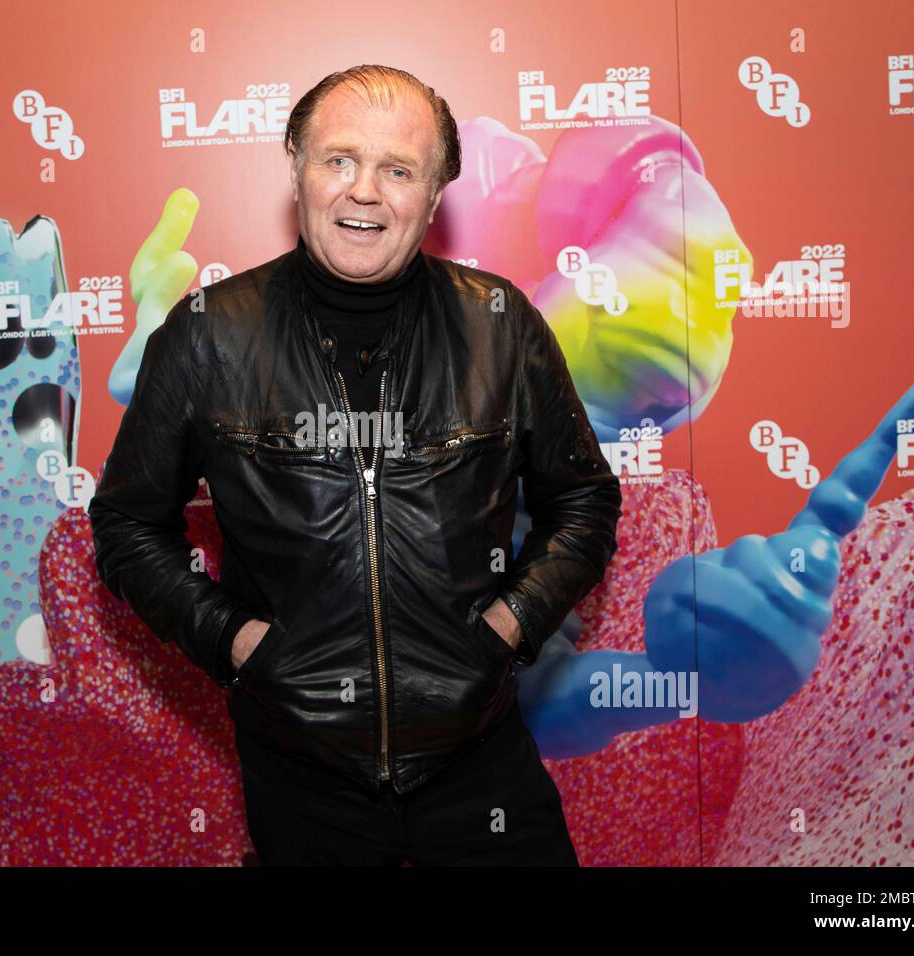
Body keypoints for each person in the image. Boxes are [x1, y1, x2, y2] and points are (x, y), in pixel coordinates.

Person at [88, 64, 622, 866]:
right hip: (301, 776)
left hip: (481, 765)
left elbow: (583, 502)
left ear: (435, 196)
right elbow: (128, 525)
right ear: (295, 166)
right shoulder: (206, 337)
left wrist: (505, 633)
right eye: (338, 159)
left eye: (397, 170)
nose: (362, 192)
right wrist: (238, 643)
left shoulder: (502, 328)